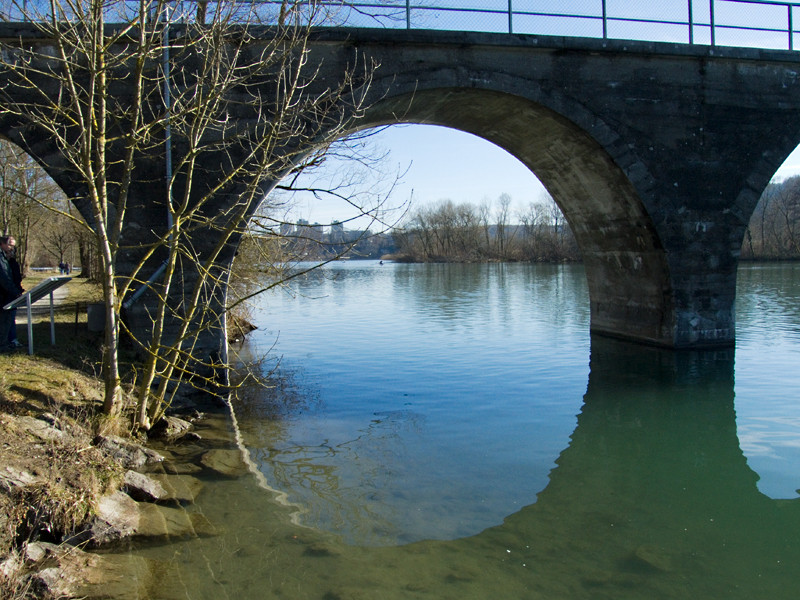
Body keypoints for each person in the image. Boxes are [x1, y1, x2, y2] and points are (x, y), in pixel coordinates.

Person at [0, 236, 23, 352]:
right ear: (2, 244)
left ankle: (8, 341)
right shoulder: (1, 258)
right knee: (4, 320)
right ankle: (3, 345)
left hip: (8, 293)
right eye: (10, 245)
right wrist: (15, 292)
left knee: (8, 319)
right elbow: (4, 278)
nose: (12, 248)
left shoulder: (7, 259)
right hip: (4, 295)